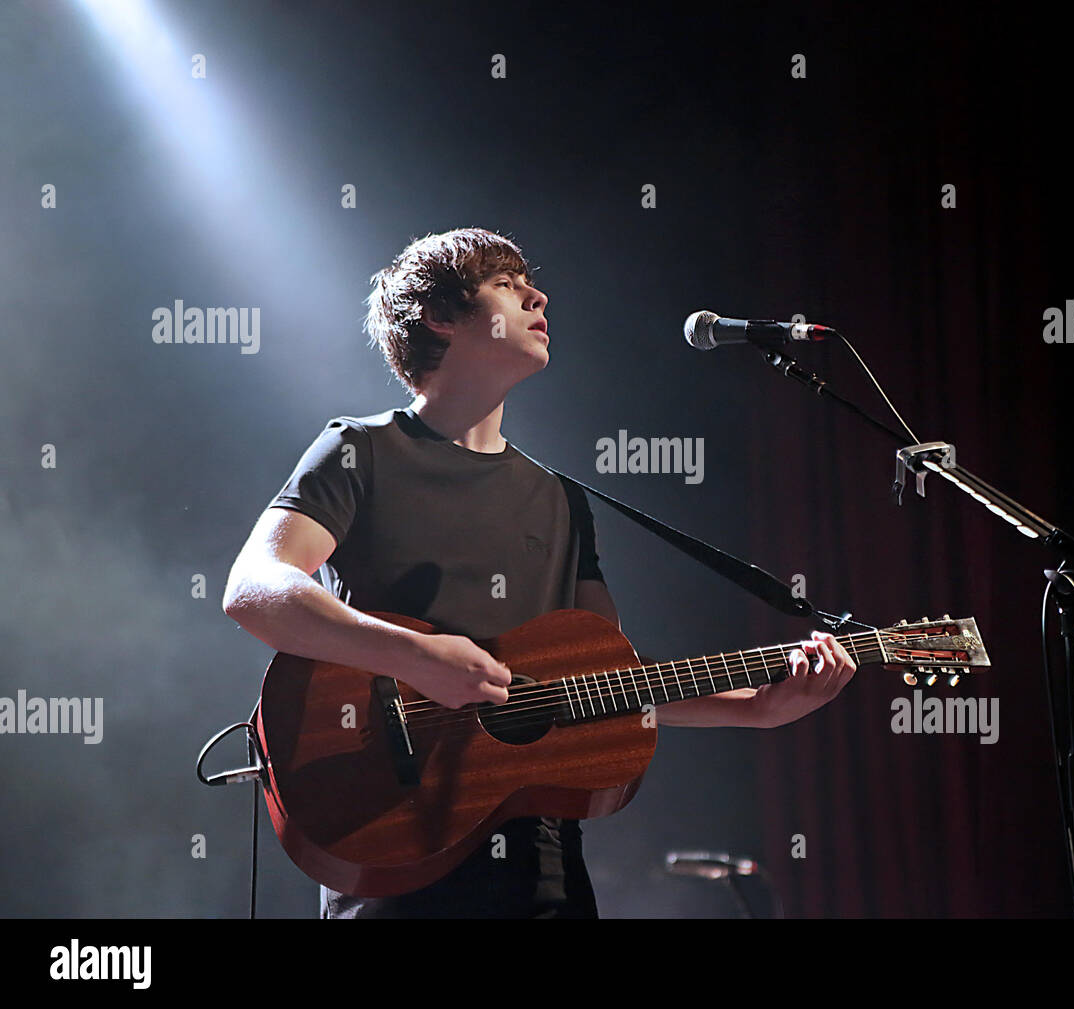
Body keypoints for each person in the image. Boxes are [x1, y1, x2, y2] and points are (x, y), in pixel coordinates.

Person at [221, 227, 857, 918]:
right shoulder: (360, 449)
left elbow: (604, 682)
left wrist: (761, 708)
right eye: (505, 281)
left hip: (541, 870)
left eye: (530, 280)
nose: (537, 293)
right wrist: (415, 655)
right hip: (392, 853)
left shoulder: (562, 498)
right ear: (440, 316)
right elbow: (256, 589)